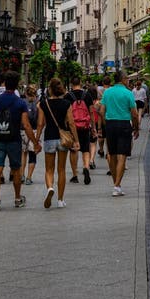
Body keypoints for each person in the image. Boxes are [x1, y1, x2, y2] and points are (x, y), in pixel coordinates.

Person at [0, 71, 41, 211]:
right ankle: (17, 198)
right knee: (16, 170)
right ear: (16, 85)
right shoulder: (20, 102)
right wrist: (35, 142)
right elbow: (26, 125)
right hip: (14, 140)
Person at [36, 77, 80, 209]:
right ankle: (60, 200)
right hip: (63, 139)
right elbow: (71, 123)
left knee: (49, 169)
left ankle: (50, 187)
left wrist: (37, 139)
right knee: (61, 170)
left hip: (49, 137)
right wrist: (76, 140)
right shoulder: (66, 103)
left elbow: (40, 123)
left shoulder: (44, 104)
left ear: (49, 89)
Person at [99, 69, 139, 196]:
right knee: (122, 155)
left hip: (110, 124)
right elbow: (134, 113)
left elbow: (101, 111)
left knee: (112, 154)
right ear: (122, 79)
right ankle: (117, 186)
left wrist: (106, 124)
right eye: (127, 78)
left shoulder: (107, 92)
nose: (128, 80)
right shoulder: (128, 93)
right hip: (124, 124)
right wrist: (136, 128)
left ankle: (116, 184)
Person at [66, 76, 95, 185]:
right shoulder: (87, 95)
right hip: (85, 126)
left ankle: (74, 175)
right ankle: (86, 167)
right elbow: (91, 112)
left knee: (74, 150)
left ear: (71, 84)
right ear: (80, 82)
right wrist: (93, 127)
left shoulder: (68, 96)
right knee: (86, 149)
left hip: (73, 127)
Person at [20, 84, 39, 185]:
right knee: (32, 155)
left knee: (23, 153)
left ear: (26, 94)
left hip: (23, 130)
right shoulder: (39, 104)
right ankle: (29, 177)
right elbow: (41, 121)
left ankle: (22, 174)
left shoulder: (22, 103)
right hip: (34, 131)